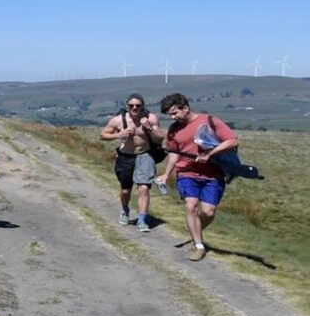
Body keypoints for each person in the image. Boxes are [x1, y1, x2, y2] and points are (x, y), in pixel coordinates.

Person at [158, 93, 238, 262]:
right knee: (191, 206)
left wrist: (210, 153)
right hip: (187, 173)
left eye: (175, 113)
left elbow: (232, 141)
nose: (173, 117)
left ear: (185, 108)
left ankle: (195, 230)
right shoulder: (173, 130)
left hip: (213, 174)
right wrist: (166, 174)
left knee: (208, 213)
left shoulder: (210, 121)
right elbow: (173, 154)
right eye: (170, 115)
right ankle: (199, 246)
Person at [101, 95, 166, 230]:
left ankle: (142, 220)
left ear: (143, 106)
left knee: (143, 188)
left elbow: (160, 138)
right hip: (125, 157)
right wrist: (119, 135)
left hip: (145, 155)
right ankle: (125, 210)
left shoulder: (151, 119)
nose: (134, 108)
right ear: (127, 107)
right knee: (125, 190)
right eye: (131, 105)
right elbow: (103, 135)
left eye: (138, 105)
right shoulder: (118, 120)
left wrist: (149, 129)